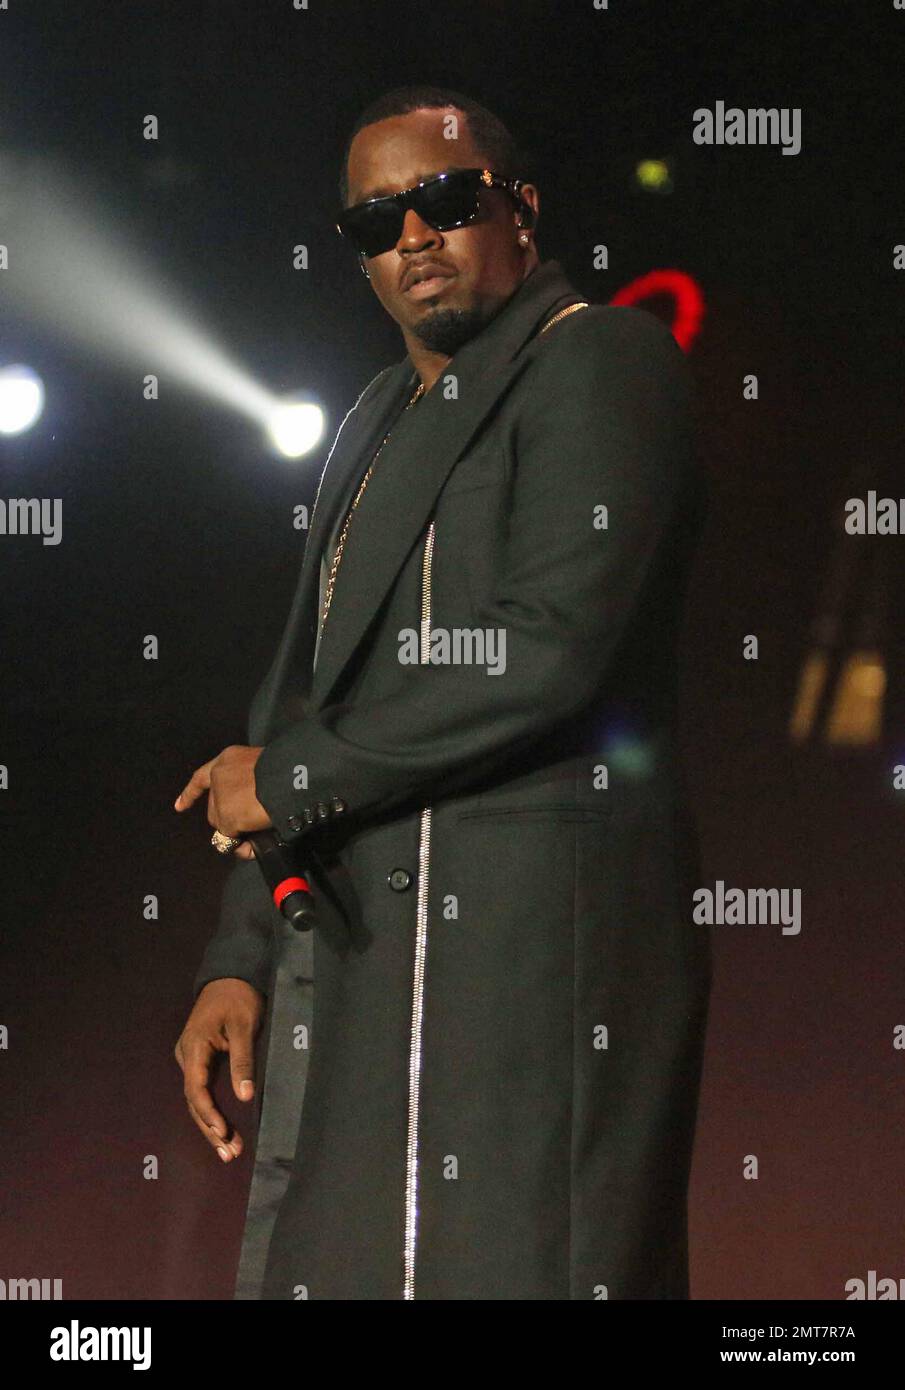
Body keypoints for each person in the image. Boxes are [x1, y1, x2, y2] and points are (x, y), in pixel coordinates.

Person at [173, 84, 711, 1300]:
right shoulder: (371, 416)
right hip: (362, 963)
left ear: (517, 210)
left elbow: (549, 648)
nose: (411, 238)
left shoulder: (599, 357)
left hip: (523, 963)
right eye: (376, 222)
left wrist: (296, 781)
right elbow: (296, 699)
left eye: (441, 201)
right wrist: (237, 959)